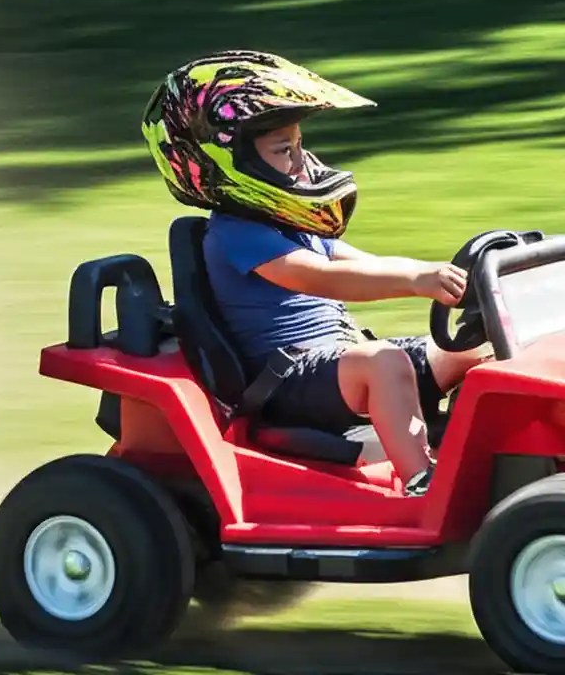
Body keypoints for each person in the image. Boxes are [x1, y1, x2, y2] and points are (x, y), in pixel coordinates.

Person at [142, 50, 492, 495]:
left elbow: (362, 263)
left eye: (299, 144)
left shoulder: (291, 224)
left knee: (470, 349)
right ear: (227, 162)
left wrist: (439, 275)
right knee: (385, 363)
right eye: (283, 149)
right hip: (287, 382)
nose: (301, 160)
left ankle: (477, 452)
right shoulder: (236, 233)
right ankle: (424, 485)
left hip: (334, 367)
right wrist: (414, 283)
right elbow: (318, 277)